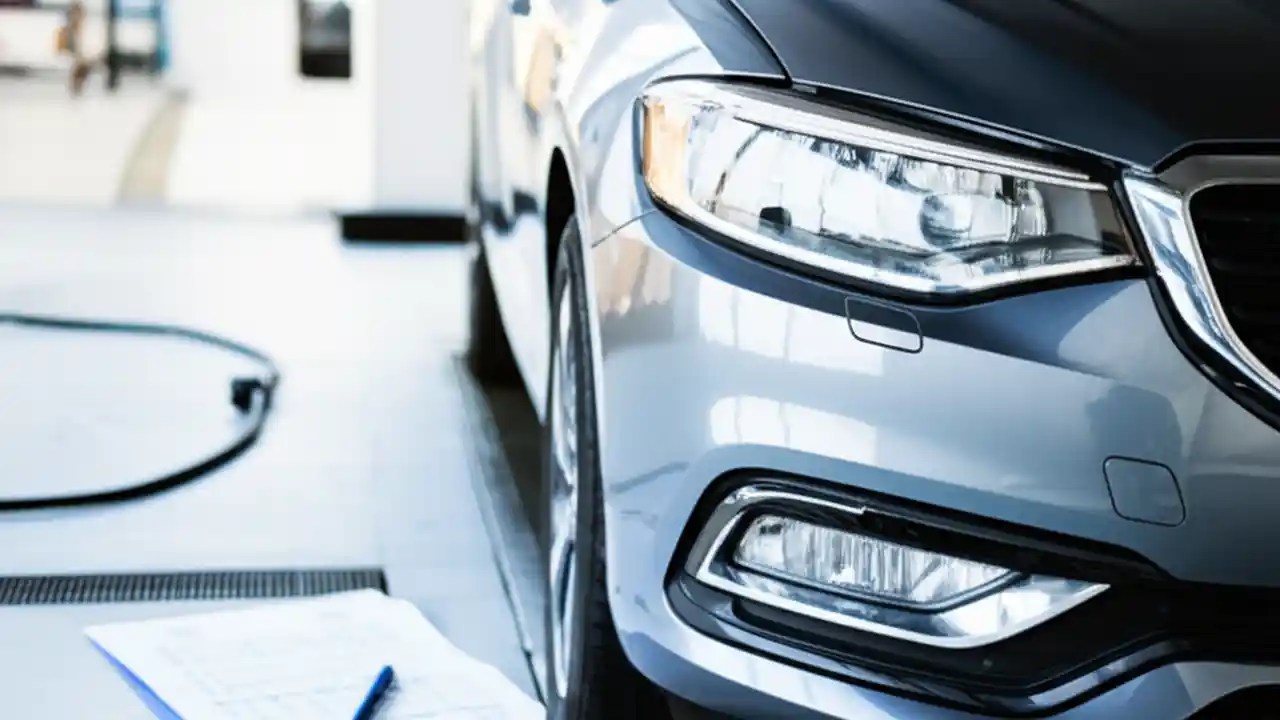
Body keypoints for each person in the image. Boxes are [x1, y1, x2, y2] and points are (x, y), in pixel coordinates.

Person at [57, 2, 94, 95]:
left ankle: (78, 84)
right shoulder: (64, 31)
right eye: (76, 14)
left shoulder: (82, 31)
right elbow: (60, 49)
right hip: (67, 56)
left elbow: (84, 49)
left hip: (76, 57)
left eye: (80, 15)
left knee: (85, 62)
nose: (78, 18)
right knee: (81, 62)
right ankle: (76, 84)